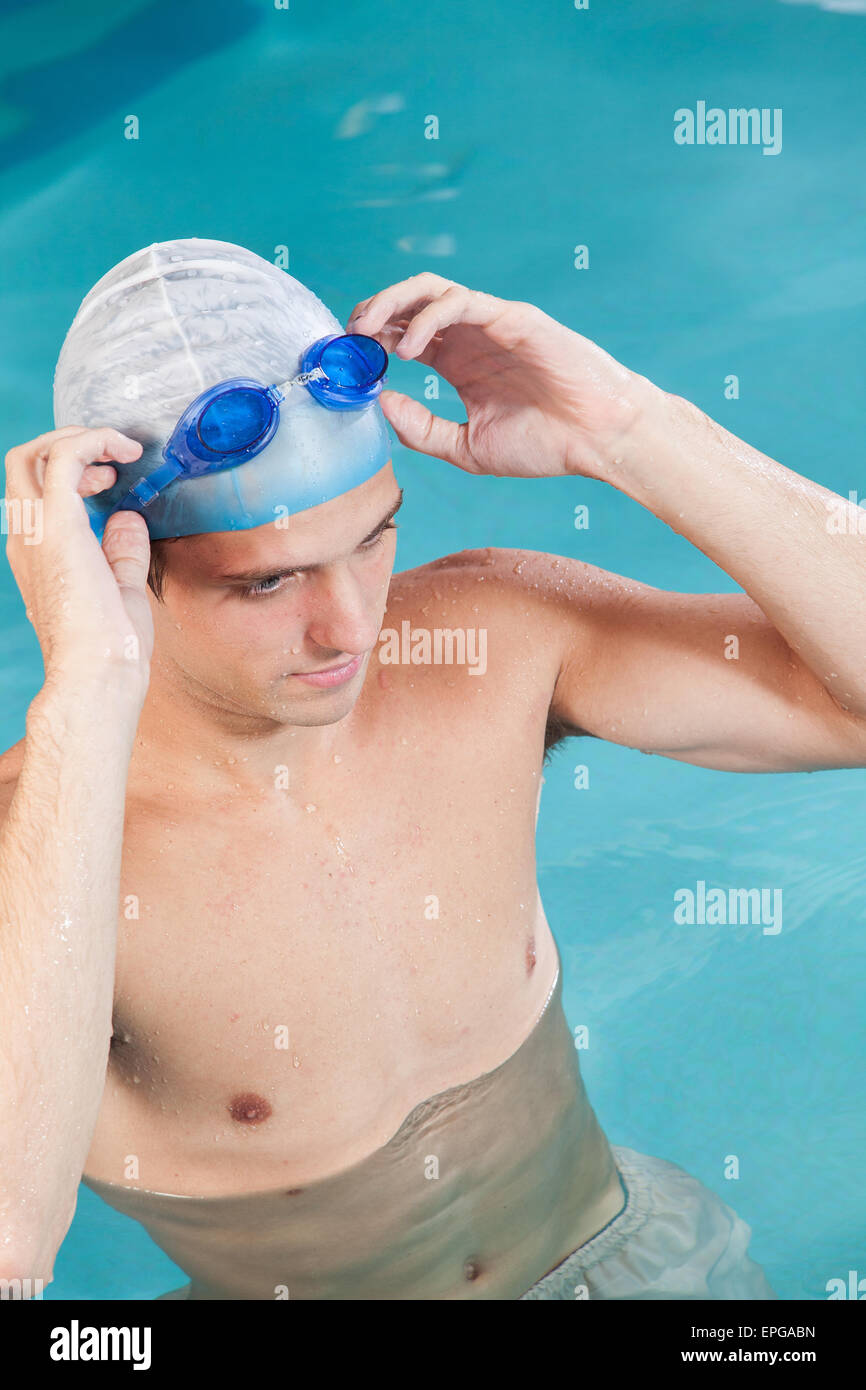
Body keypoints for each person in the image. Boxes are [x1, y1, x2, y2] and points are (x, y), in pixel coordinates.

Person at [2, 238, 863, 1301]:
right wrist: (85, 689)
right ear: (115, 559)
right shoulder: (39, 848)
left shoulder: (492, 639)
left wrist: (632, 432)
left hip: (630, 1266)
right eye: (267, 584)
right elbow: (12, 1249)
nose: (348, 628)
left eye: (372, 539)